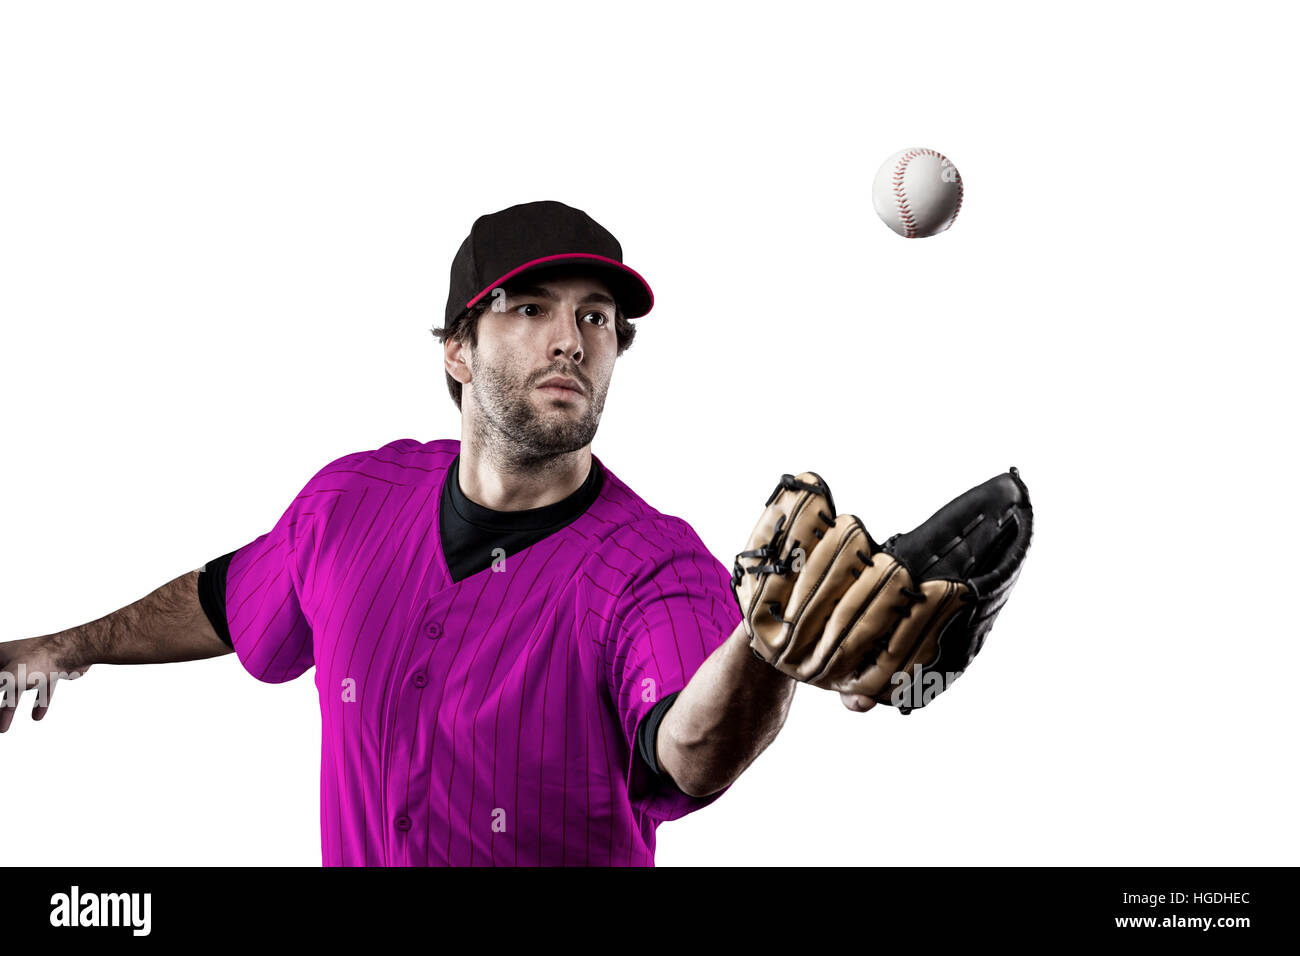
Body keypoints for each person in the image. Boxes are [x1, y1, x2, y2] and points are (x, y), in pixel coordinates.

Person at [0, 200, 802, 866]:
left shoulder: (653, 565)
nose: (572, 338)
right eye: (531, 308)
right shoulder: (355, 500)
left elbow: (691, 750)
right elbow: (228, 597)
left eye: (596, 317)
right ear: (458, 349)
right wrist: (68, 645)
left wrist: (769, 652)